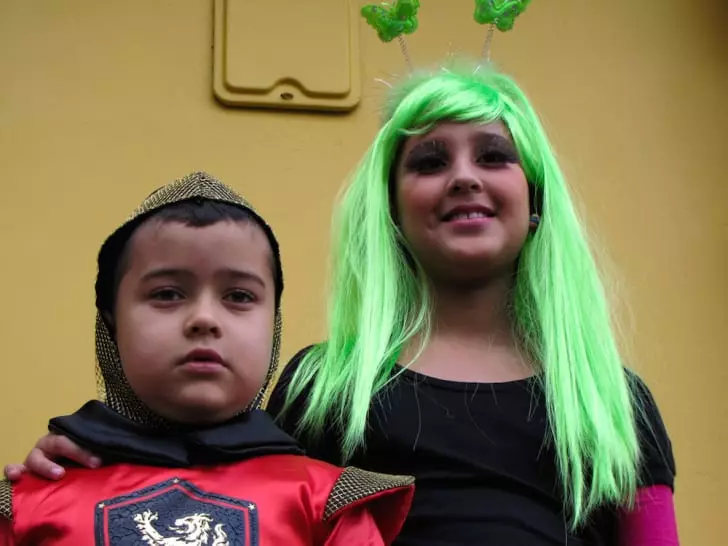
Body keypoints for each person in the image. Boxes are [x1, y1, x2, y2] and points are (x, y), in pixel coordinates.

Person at [5, 65, 678, 545]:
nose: (464, 175)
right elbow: (222, 505)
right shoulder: (324, 384)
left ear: (536, 203)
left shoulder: (610, 398)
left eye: (494, 155)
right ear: (390, 210)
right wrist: (86, 465)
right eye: (429, 161)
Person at [0, 172, 414, 545]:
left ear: (273, 323)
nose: (203, 318)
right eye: (166, 294)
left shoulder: (325, 505)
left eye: (238, 296)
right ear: (112, 323)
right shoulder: (27, 506)